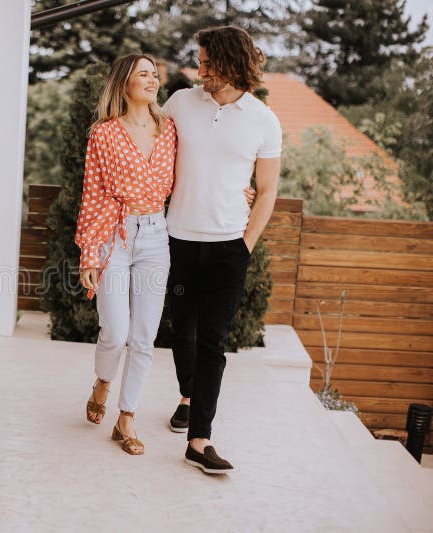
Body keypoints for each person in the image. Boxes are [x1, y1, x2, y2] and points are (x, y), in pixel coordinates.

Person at [74, 53, 254, 456]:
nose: (152, 80)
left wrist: (242, 192)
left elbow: (204, 170)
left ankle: (126, 417)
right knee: (115, 331)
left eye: (155, 74)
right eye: (143, 74)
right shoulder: (103, 134)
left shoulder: (169, 129)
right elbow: (93, 194)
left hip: (157, 237)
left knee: (143, 337)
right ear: (124, 82)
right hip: (114, 238)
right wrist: (89, 253)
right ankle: (103, 382)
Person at [161, 26, 282, 474]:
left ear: (232, 63)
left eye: (208, 62)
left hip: (229, 247)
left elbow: (267, 190)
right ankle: (187, 394)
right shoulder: (180, 103)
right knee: (181, 328)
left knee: (214, 341)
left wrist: (245, 244)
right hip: (177, 241)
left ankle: (200, 438)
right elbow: (152, 155)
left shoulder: (263, 120)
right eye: (200, 60)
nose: (201, 69)